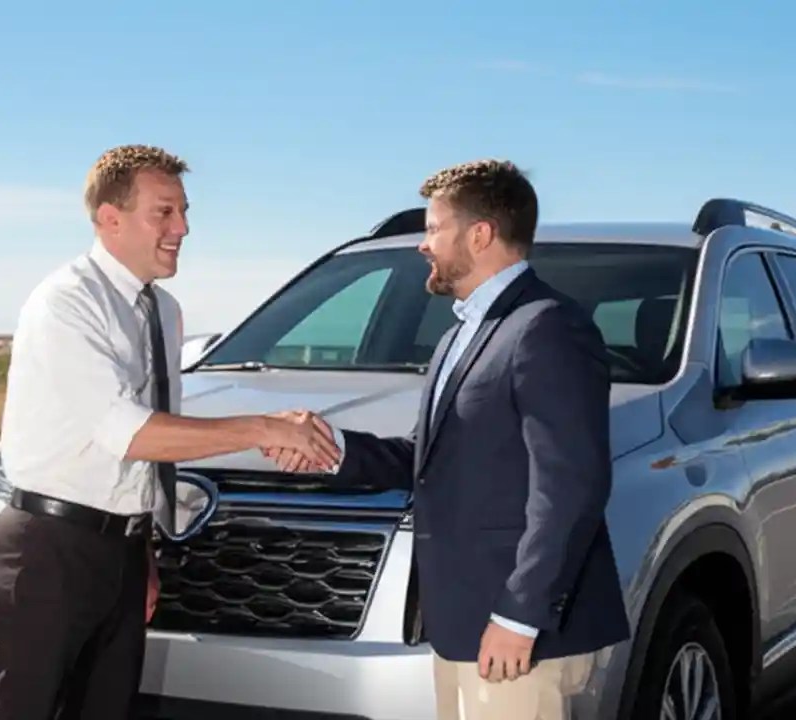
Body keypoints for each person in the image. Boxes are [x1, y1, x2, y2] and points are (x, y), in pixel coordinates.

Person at [0, 144, 340, 720]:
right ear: (109, 218)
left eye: (185, 211)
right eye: (163, 212)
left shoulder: (162, 311)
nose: (183, 228)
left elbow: (146, 456)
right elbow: (130, 433)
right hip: (48, 553)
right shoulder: (67, 304)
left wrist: (140, 552)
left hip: (118, 554)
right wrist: (266, 428)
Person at [267, 159, 629, 719]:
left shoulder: (547, 327)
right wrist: (333, 446)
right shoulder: (462, 335)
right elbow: (429, 460)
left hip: (516, 636)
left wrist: (519, 616)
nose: (423, 245)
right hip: (463, 627)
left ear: (479, 234)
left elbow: (571, 486)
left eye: (435, 228)